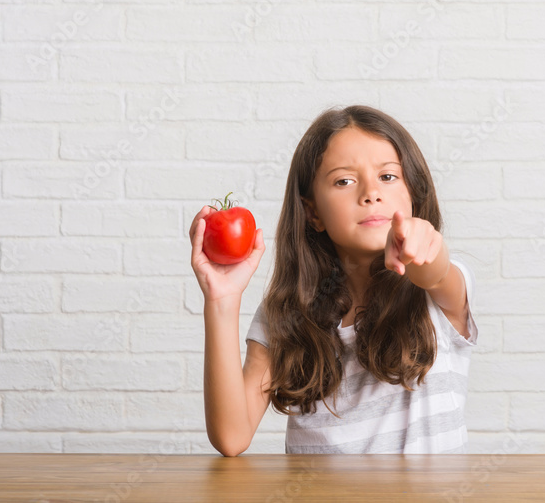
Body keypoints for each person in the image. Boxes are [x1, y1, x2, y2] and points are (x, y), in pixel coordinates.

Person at [190, 104, 479, 456]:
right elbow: (231, 438)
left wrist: (421, 245)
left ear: (413, 193)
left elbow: (433, 269)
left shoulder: (439, 293)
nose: (371, 193)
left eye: (388, 177)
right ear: (313, 213)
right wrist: (221, 300)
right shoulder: (286, 313)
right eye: (344, 181)